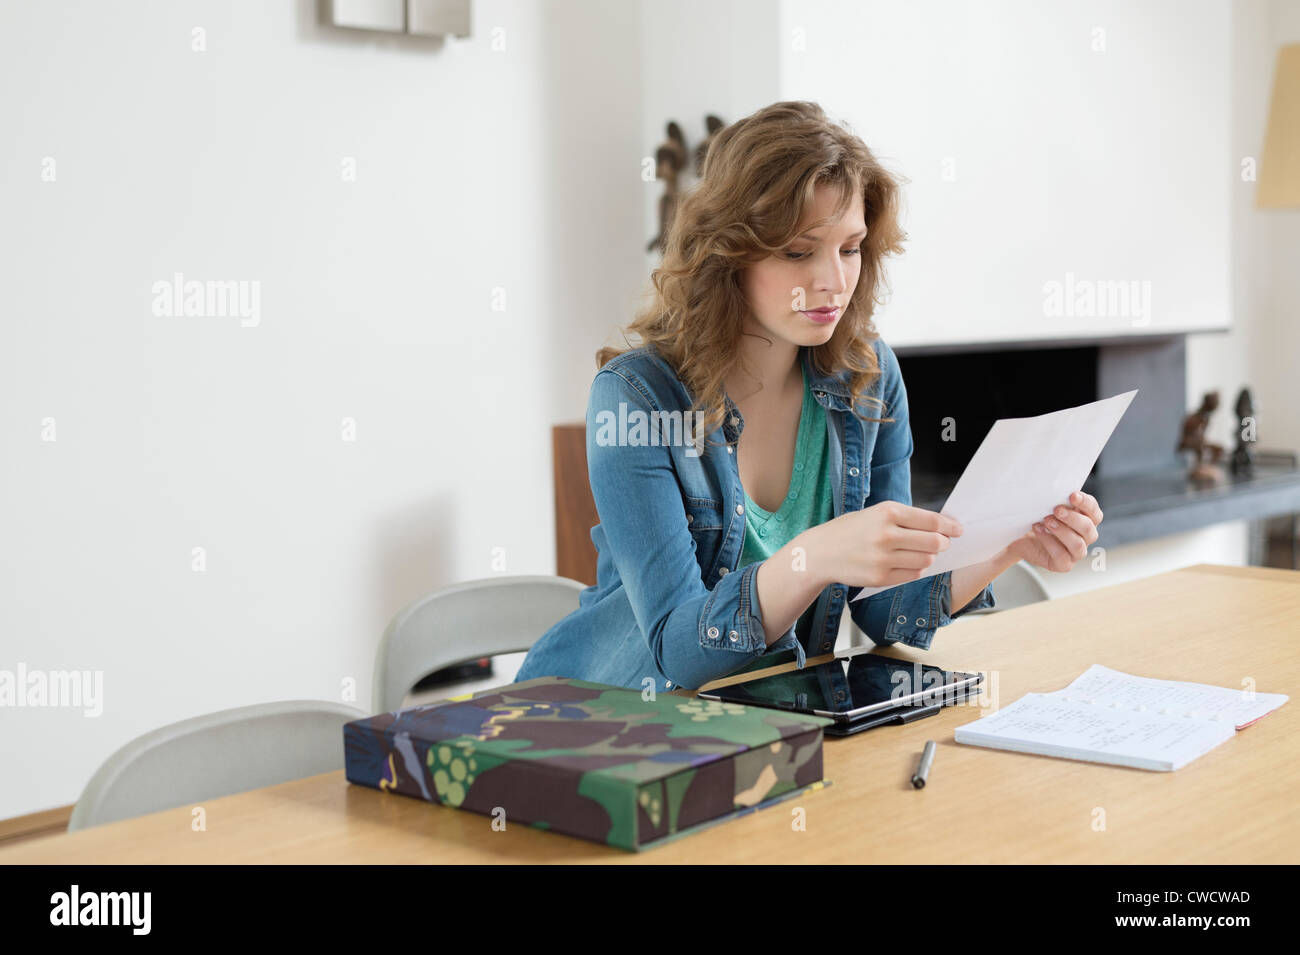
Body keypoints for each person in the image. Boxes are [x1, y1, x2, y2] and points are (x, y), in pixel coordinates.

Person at [517, 101, 1103, 693]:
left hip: (773, 728)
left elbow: (881, 609)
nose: (833, 280)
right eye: (800, 251)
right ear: (728, 255)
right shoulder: (636, 400)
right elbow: (679, 653)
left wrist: (1010, 544)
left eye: (850, 248)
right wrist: (814, 557)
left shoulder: (867, 379)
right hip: (604, 725)